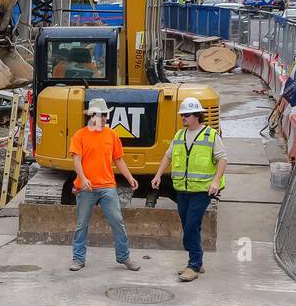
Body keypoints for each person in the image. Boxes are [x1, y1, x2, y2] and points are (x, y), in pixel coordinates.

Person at [150, 97, 228, 282]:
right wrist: (158, 175)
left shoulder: (211, 135)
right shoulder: (179, 135)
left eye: (186, 115)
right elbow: (168, 156)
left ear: (197, 116)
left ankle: (193, 265)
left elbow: (223, 159)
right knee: (189, 225)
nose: (183, 118)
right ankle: (198, 261)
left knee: (191, 226)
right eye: (182, 115)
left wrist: (215, 182)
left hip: (202, 191)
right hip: (182, 189)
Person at [69, 97, 141, 272]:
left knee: (117, 221)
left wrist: (130, 177)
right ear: (93, 116)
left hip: (108, 186)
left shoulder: (112, 135)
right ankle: (78, 259)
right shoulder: (80, 136)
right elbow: (76, 160)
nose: (106, 119)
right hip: (85, 188)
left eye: (106, 115)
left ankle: (124, 257)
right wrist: (83, 178)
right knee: (82, 224)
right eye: (103, 115)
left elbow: (118, 159)